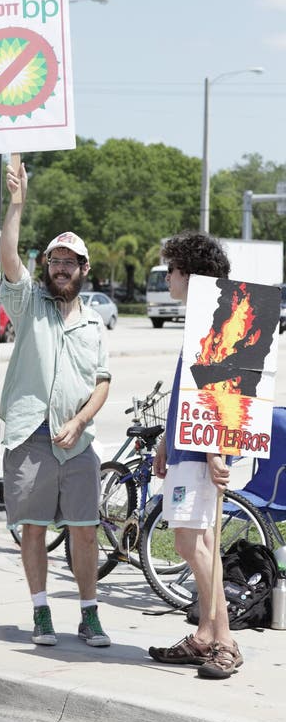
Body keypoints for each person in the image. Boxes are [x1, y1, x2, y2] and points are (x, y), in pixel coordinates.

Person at [0, 162, 111, 647]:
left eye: (71, 262)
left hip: (78, 442)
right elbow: (8, 255)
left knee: (86, 530)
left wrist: (81, 420)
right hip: (30, 435)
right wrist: (17, 202)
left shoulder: (94, 325)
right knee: (34, 529)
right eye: (55, 260)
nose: (62, 268)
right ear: (46, 265)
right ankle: (41, 612)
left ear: (84, 270)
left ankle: (89, 615)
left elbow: (103, 382)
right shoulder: (29, 303)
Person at [148, 231, 241, 680]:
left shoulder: (212, 323)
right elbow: (189, 391)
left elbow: (222, 391)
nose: (167, 278)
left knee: (188, 542)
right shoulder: (203, 320)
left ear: (190, 272)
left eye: (172, 270)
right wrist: (168, 437)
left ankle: (225, 638)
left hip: (201, 450)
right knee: (203, 544)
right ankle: (206, 633)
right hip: (187, 444)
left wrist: (216, 450)